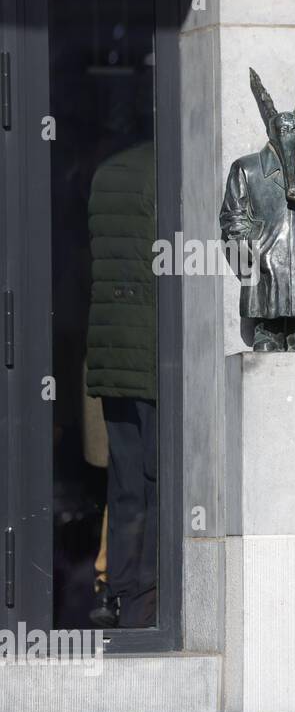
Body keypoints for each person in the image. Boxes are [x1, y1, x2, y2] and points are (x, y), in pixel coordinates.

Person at [85, 140, 158, 629]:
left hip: (112, 355)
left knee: (126, 482)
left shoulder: (104, 173)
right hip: (153, 356)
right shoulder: (165, 171)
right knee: (157, 483)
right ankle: (146, 600)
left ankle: (118, 589)